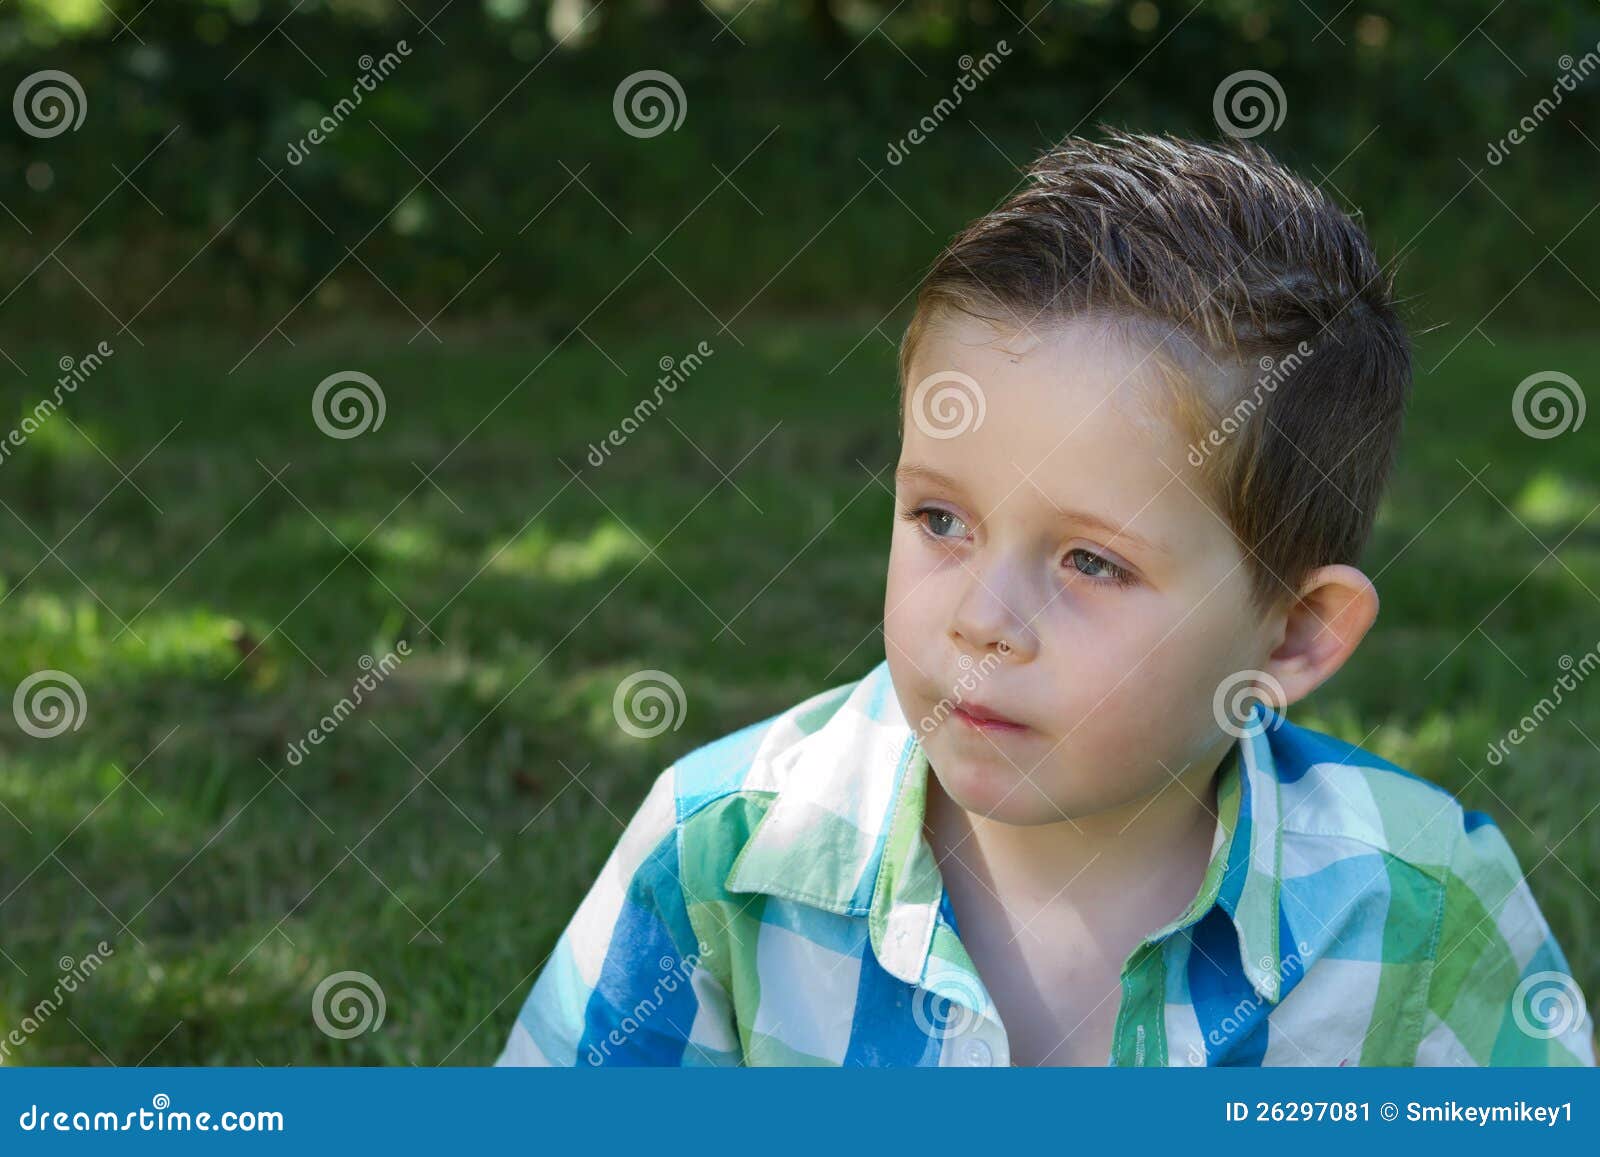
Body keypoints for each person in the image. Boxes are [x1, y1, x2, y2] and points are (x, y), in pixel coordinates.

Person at [494, 129, 1596, 1067]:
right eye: (940, 520)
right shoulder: (719, 856)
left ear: (1295, 633)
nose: (982, 619)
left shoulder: (1418, 898)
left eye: (1090, 562)